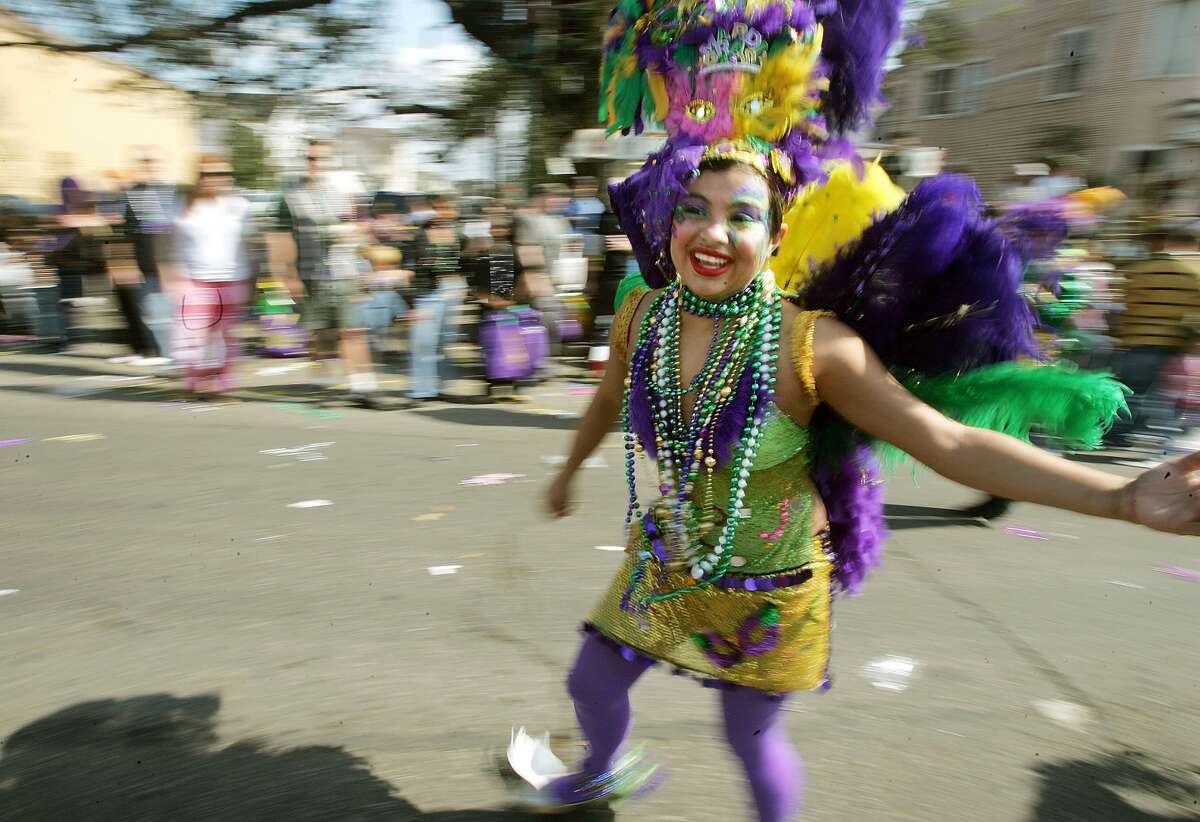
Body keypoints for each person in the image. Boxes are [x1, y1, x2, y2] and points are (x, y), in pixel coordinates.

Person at [505, 4, 1200, 821]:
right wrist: (568, 469)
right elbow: (608, 396)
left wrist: (1118, 496)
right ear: (668, 219)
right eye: (693, 209)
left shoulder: (814, 344)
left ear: (777, 234)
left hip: (772, 580)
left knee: (748, 738)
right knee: (591, 681)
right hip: (673, 552)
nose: (712, 234)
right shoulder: (643, 314)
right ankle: (601, 774)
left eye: (741, 216)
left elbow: (946, 440)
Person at [269, 139, 391, 409]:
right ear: (305, 161)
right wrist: (288, 276)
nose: (317, 164)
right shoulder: (290, 196)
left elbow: (360, 229)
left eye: (323, 159)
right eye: (312, 158)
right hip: (311, 276)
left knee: (353, 331)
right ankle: (325, 383)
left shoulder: (343, 193)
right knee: (323, 335)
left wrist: (361, 257)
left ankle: (364, 389)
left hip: (345, 274)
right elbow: (281, 240)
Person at [161, 155, 253, 397]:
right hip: (192, 280)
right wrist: (168, 276)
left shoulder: (240, 206)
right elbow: (166, 242)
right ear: (198, 177)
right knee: (192, 335)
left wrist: (253, 280)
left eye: (221, 174)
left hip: (232, 279)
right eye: (207, 174)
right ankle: (195, 379)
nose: (214, 179)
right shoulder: (183, 206)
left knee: (225, 334)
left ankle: (222, 380)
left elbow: (249, 244)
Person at [1109, 220, 1200, 444]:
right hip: (1171, 345)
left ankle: (1118, 434)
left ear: (1150, 243)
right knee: (1163, 396)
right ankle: (1164, 436)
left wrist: (1119, 334)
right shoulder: (1189, 274)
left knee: (1130, 393)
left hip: (1137, 343)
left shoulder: (1137, 271)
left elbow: (1121, 307)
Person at [119, 149, 182, 366]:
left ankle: (174, 355)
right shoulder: (129, 194)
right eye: (144, 162)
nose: (148, 166)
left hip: (168, 263)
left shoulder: (171, 192)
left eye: (152, 161)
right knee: (152, 311)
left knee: (171, 310)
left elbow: (173, 228)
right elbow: (122, 231)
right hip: (143, 262)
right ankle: (161, 353)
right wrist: (121, 263)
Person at [406, 193, 464, 402]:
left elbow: (466, 263)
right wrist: (413, 302)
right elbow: (412, 270)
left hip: (454, 289)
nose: (443, 213)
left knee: (444, 341)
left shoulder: (459, 234)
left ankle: (441, 385)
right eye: (438, 208)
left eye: (447, 208)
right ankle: (423, 389)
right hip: (428, 293)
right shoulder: (420, 234)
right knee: (424, 342)